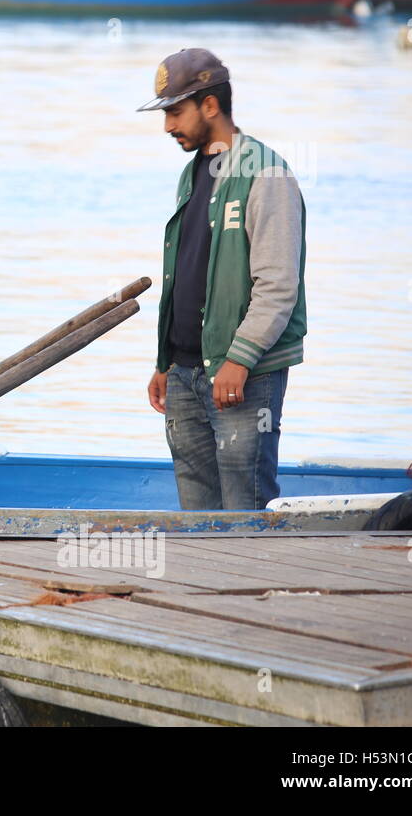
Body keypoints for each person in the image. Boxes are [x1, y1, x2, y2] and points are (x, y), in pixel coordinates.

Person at [139, 48, 307, 510]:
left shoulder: (266, 174)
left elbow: (278, 284)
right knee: (197, 519)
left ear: (209, 104)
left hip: (241, 377)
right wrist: (166, 362)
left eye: (175, 112)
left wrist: (239, 358)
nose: (168, 126)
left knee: (244, 510)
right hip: (184, 375)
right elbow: (187, 269)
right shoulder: (191, 174)